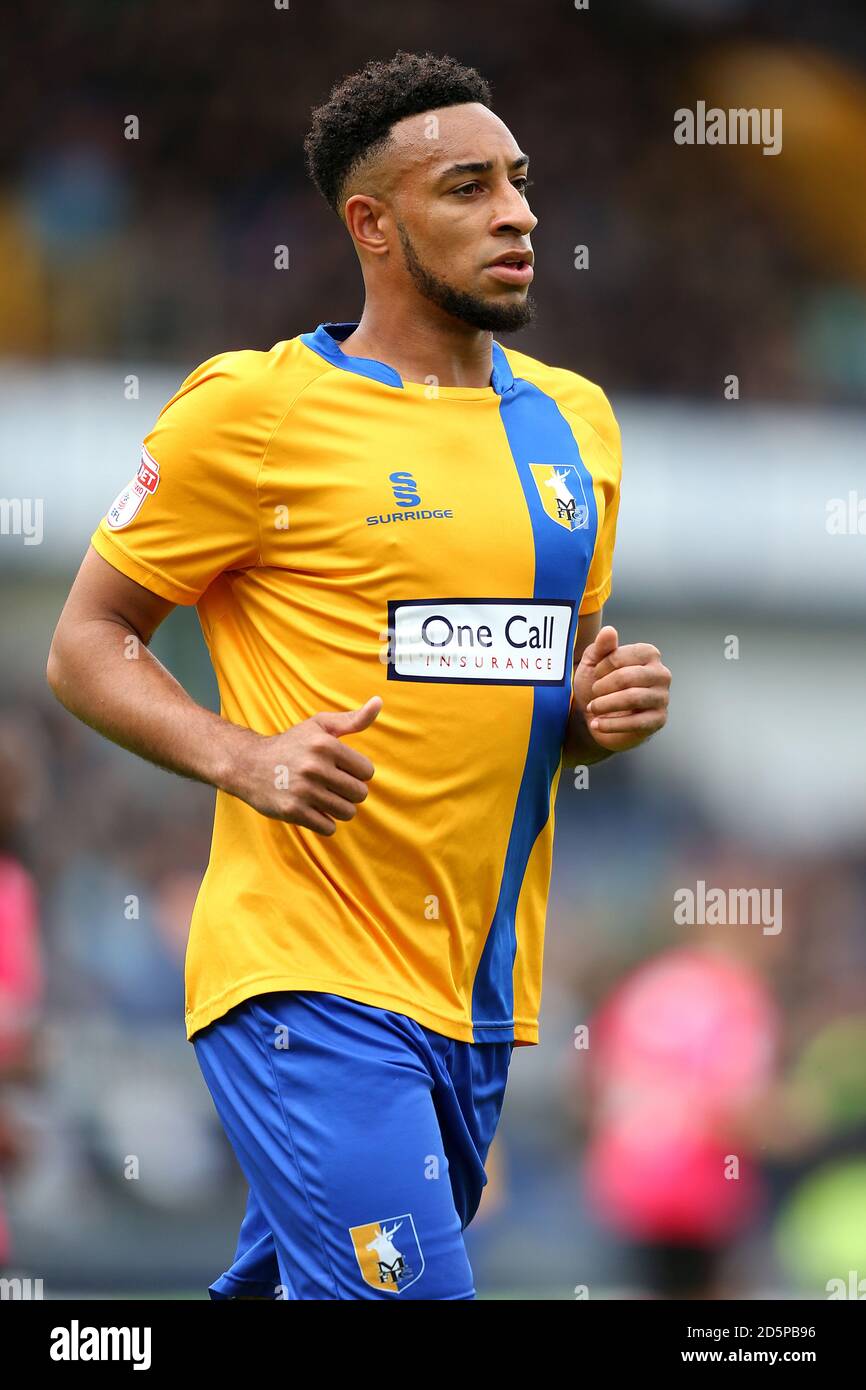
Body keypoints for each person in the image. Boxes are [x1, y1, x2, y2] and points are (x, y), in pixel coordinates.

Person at [46, 51, 671, 1300]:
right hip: (306, 978)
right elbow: (84, 642)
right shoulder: (253, 411)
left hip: (479, 996)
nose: (518, 213)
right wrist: (245, 754)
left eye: (521, 183)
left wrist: (599, 720)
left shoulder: (575, 427)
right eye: (469, 187)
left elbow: (535, 696)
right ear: (371, 225)